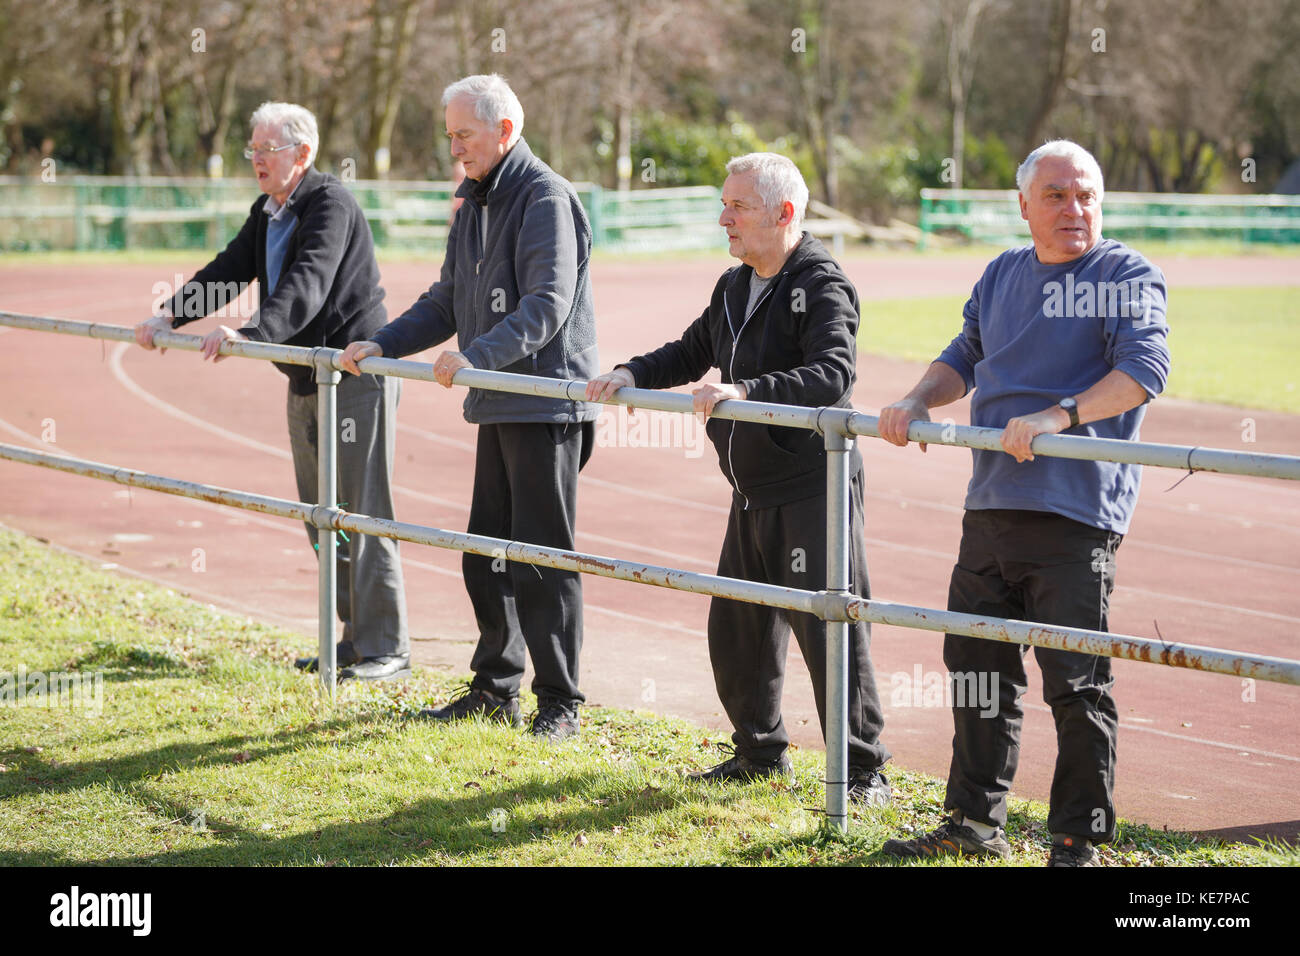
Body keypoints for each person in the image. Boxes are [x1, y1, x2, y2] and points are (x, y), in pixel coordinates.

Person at [876, 140, 1170, 866]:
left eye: (1087, 196)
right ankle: (973, 827)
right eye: (1057, 196)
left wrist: (1056, 416)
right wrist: (915, 398)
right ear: (1023, 204)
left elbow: (1143, 371)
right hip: (991, 507)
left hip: (1077, 515)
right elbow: (964, 354)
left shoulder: (1125, 273)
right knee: (979, 672)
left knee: (1076, 686)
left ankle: (1076, 842)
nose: (1075, 209)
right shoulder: (1003, 273)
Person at [586, 153, 892, 803]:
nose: (724, 218)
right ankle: (759, 754)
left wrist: (747, 390)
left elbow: (832, 373)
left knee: (831, 629)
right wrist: (631, 372)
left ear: (783, 214)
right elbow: (693, 350)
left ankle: (864, 773)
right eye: (724, 204)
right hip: (750, 489)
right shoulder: (734, 285)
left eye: (738, 207)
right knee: (738, 628)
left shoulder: (822, 284)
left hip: (814, 487)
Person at [341, 74, 598, 741]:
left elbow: (548, 304)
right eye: (449, 134)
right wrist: (383, 341)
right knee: (484, 554)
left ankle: (560, 703)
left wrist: (479, 354)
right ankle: (495, 687)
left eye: (464, 134)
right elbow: (446, 298)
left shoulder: (544, 196)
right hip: (498, 404)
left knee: (542, 560)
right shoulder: (475, 203)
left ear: (504, 131)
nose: (454, 147)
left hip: (545, 405)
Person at [134, 101, 410, 682]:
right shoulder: (268, 211)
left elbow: (309, 281)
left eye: (267, 150)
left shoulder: (329, 202)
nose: (256, 160)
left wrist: (255, 333)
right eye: (251, 150)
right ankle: (352, 640)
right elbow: (230, 269)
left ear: (302, 154)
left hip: (353, 375)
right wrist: (168, 318)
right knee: (321, 518)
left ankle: (387, 647)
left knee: (364, 513)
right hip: (302, 376)